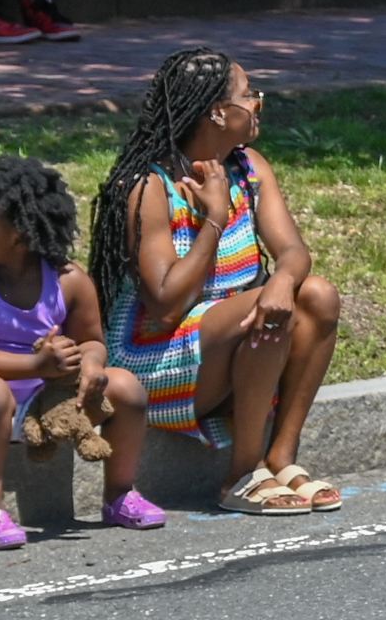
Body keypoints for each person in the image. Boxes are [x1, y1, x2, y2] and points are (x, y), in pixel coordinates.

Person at [92, 46, 347, 516]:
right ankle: (240, 474)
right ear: (215, 112)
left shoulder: (249, 167)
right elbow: (167, 303)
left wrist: (280, 282)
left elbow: (293, 252)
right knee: (264, 313)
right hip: (157, 363)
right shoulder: (147, 188)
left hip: (239, 345)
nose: (258, 104)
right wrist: (213, 217)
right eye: (249, 95)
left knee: (316, 295)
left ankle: (280, 458)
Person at [0, 156, 164, 549]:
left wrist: (88, 365)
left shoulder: (68, 281)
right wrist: (37, 364)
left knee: (126, 388)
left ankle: (120, 494)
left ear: (18, 237)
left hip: (42, 404)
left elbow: (92, 341)